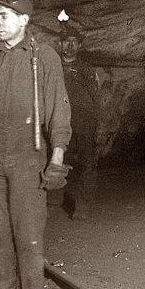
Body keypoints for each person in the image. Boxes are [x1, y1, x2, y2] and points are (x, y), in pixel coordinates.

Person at [0, 0, 71, 289]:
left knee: (28, 231)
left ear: (24, 19)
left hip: (28, 155)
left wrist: (56, 156)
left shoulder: (43, 57)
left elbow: (58, 109)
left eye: (4, 16)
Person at [57, 18, 104, 221]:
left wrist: (99, 123)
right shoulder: (52, 66)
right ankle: (54, 200)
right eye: (66, 41)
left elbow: (96, 97)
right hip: (59, 120)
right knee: (58, 160)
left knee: (87, 162)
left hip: (84, 121)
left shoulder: (87, 69)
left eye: (74, 42)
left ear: (80, 45)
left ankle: (83, 206)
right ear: (60, 44)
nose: (70, 45)